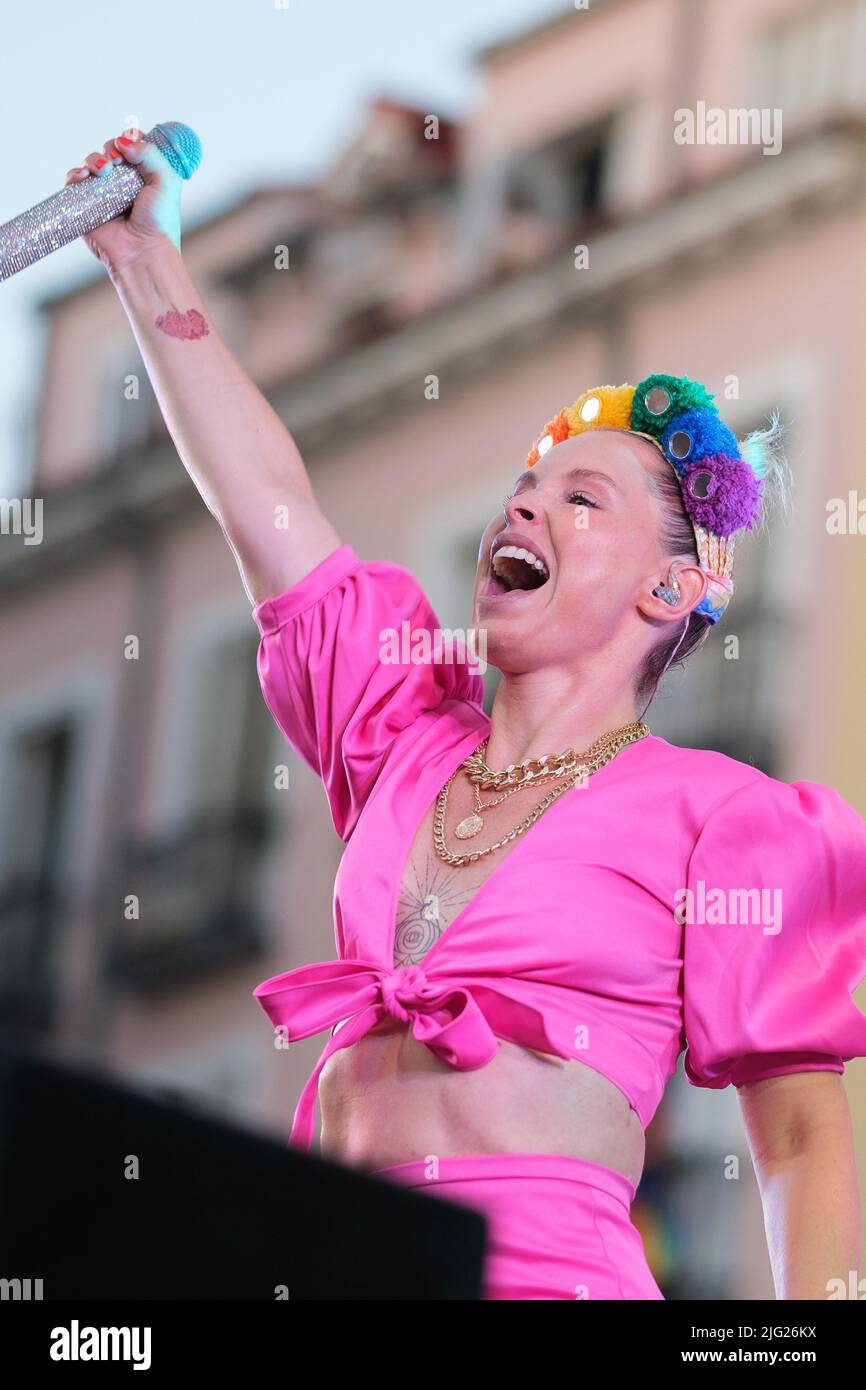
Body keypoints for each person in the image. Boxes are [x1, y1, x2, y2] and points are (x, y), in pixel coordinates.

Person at [67, 130, 866, 1302]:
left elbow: (798, 1138)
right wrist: (147, 265)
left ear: (668, 587)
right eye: (522, 491)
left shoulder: (722, 821)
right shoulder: (399, 732)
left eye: (579, 499)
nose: (525, 508)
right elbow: (267, 505)